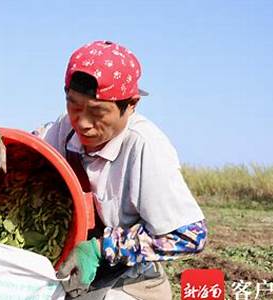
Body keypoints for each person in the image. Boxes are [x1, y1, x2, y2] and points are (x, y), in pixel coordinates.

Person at [34, 40, 208, 300]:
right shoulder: (63, 129)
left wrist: (102, 248)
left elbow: (190, 235)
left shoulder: (144, 146)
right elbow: (27, 149)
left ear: (131, 105)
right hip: (71, 268)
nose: (83, 122)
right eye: (74, 105)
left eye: (97, 112)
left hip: (129, 278)